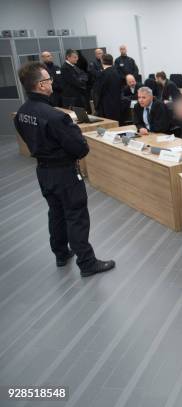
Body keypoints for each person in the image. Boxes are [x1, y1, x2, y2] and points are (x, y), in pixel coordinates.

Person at [14, 62, 115, 277]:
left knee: (56, 212)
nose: (52, 82)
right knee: (76, 216)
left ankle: (61, 254)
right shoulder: (56, 116)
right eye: (48, 80)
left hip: (43, 171)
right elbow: (80, 149)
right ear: (41, 85)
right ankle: (87, 263)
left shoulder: (22, 113)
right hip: (65, 173)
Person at [94, 54, 123, 122]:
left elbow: (98, 91)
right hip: (118, 103)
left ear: (102, 61)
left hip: (106, 106)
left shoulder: (102, 74)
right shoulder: (118, 72)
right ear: (112, 61)